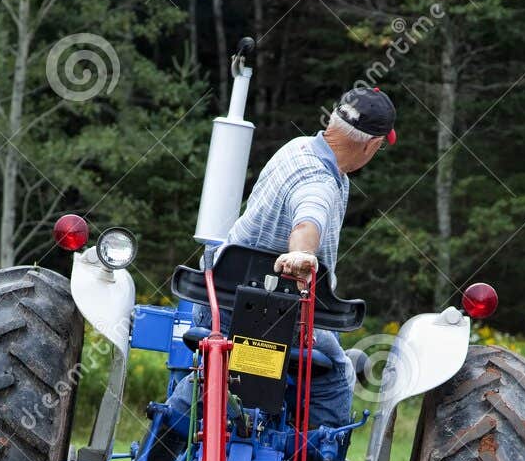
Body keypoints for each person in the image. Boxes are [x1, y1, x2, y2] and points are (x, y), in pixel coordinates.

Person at [168, 87, 397, 437]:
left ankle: (168, 433)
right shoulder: (321, 181)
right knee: (338, 373)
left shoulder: (296, 148)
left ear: (334, 120)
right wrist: (303, 254)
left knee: (217, 366)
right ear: (372, 145)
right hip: (278, 317)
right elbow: (309, 217)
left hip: (216, 303)